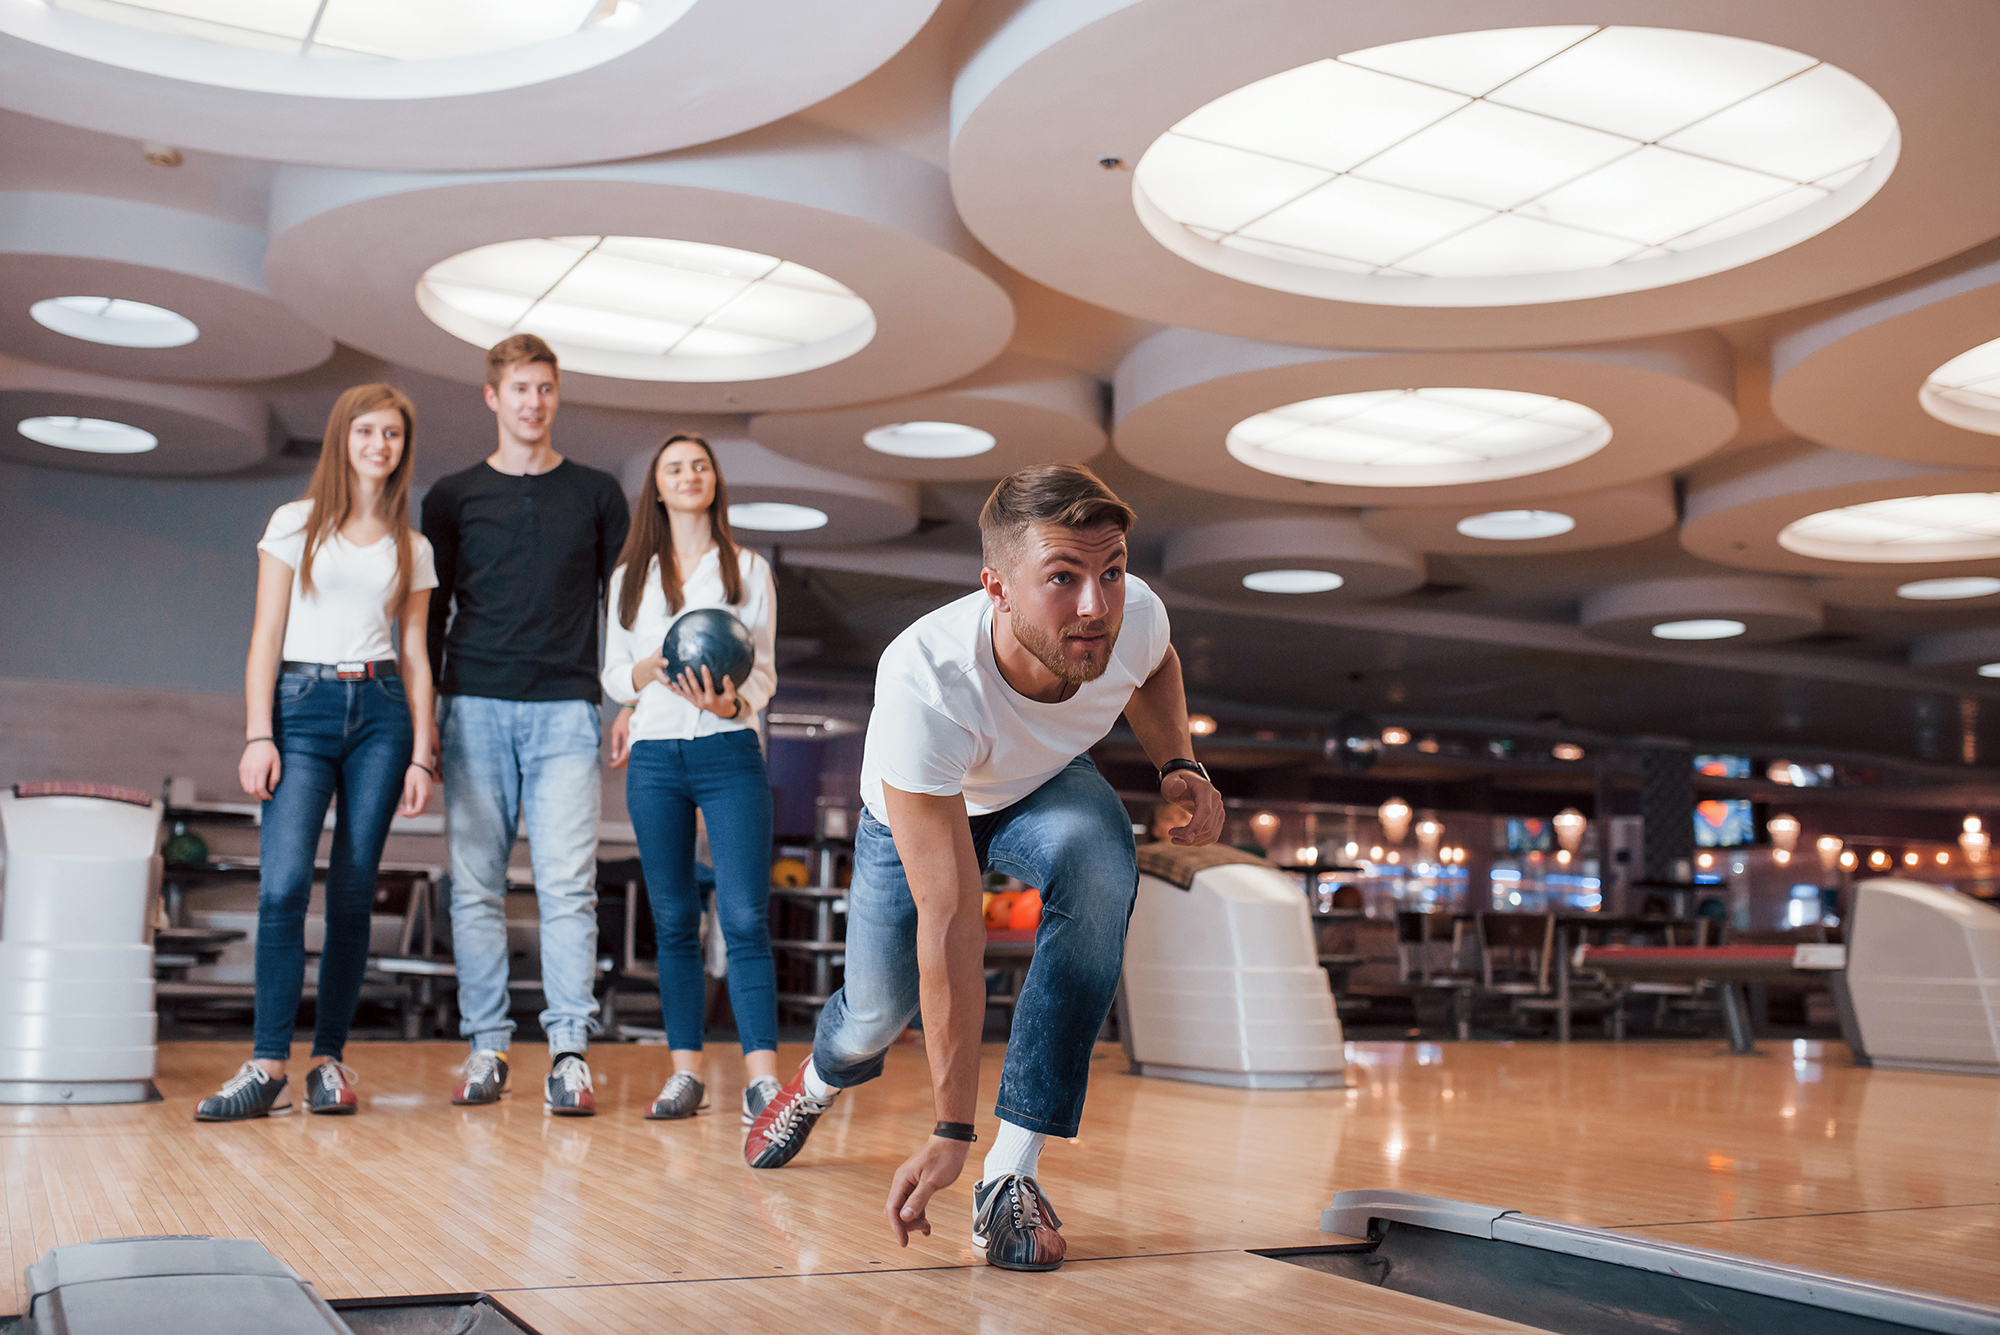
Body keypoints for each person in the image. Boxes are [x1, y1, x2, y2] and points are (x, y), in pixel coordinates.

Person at [743, 463, 1225, 1272]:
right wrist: (947, 1126)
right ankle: (817, 1081)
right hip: (923, 802)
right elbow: (953, 923)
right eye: (1063, 578)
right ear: (995, 586)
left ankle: (1012, 1173)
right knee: (876, 1014)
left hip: (1041, 784)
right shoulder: (927, 683)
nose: (1095, 606)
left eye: (1111, 572)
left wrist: (1178, 759)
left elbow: (1156, 662)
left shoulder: (1131, 614)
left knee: (1102, 859)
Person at [197, 384, 437, 1121]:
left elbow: (417, 651)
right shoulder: (295, 523)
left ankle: (328, 1060)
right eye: (367, 431)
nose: (380, 445)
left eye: (392, 434)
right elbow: (265, 634)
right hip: (300, 710)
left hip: (384, 714)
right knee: (284, 885)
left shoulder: (412, 544)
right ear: (343, 438)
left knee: (354, 890)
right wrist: (257, 731)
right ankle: (267, 1063)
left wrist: (425, 751)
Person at [421, 334, 630, 1116]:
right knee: (473, 888)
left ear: (555, 395)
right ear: (492, 396)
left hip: (568, 711)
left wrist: (623, 701)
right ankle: (487, 1047)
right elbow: (429, 614)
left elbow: (624, 611)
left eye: (545, 388)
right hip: (471, 703)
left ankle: (569, 1054)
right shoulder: (451, 496)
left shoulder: (598, 493)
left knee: (568, 888)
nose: (533, 402)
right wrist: (427, 721)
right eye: (519, 388)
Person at [601, 433, 781, 1125]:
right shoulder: (629, 577)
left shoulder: (749, 569)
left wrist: (731, 703)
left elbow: (761, 670)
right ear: (658, 485)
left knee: (743, 917)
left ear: (713, 482)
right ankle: (686, 1074)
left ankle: (762, 1078)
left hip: (729, 746)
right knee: (674, 917)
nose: (689, 475)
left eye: (699, 465)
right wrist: (648, 668)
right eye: (674, 466)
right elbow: (614, 674)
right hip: (654, 752)